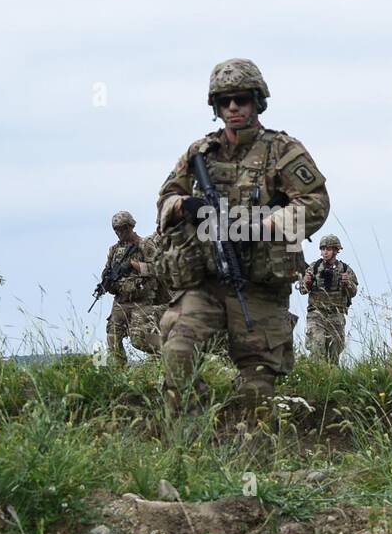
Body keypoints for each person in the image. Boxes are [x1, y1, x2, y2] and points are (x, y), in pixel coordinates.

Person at [155, 58, 329, 411]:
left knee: (256, 389)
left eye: (241, 99)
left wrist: (258, 228)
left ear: (257, 101)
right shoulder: (200, 153)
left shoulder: (282, 150)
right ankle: (191, 446)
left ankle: (252, 457)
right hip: (204, 281)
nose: (233, 108)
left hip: (259, 286)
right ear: (215, 107)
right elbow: (164, 200)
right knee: (177, 354)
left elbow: (315, 205)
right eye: (224, 101)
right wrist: (185, 206)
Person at [101, 211, 162, 365]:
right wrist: (106, 281)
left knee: (139, 339)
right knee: (113, 337)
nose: (120, 233)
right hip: (120, 301)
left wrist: (133, 265)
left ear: (130, 227)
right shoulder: (114, 250)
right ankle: (119, 374)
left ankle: (170, 353)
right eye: (116, 230)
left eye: (123, 229)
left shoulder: (144, 244)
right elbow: (108, 269)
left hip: (141, 301)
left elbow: (158, 269)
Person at [298, 233, 357, 364]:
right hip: (316, 314)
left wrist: (347, 283)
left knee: (334, 351)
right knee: (316, 346)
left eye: (329, 249)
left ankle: (332, 380)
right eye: (323, 249)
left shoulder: (345, 269)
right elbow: (302, 290)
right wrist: (306, 282)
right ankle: (316, 378)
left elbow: (353, 292)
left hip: (336, 314)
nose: (325, 252)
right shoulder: (313, 267)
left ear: (336, 250)